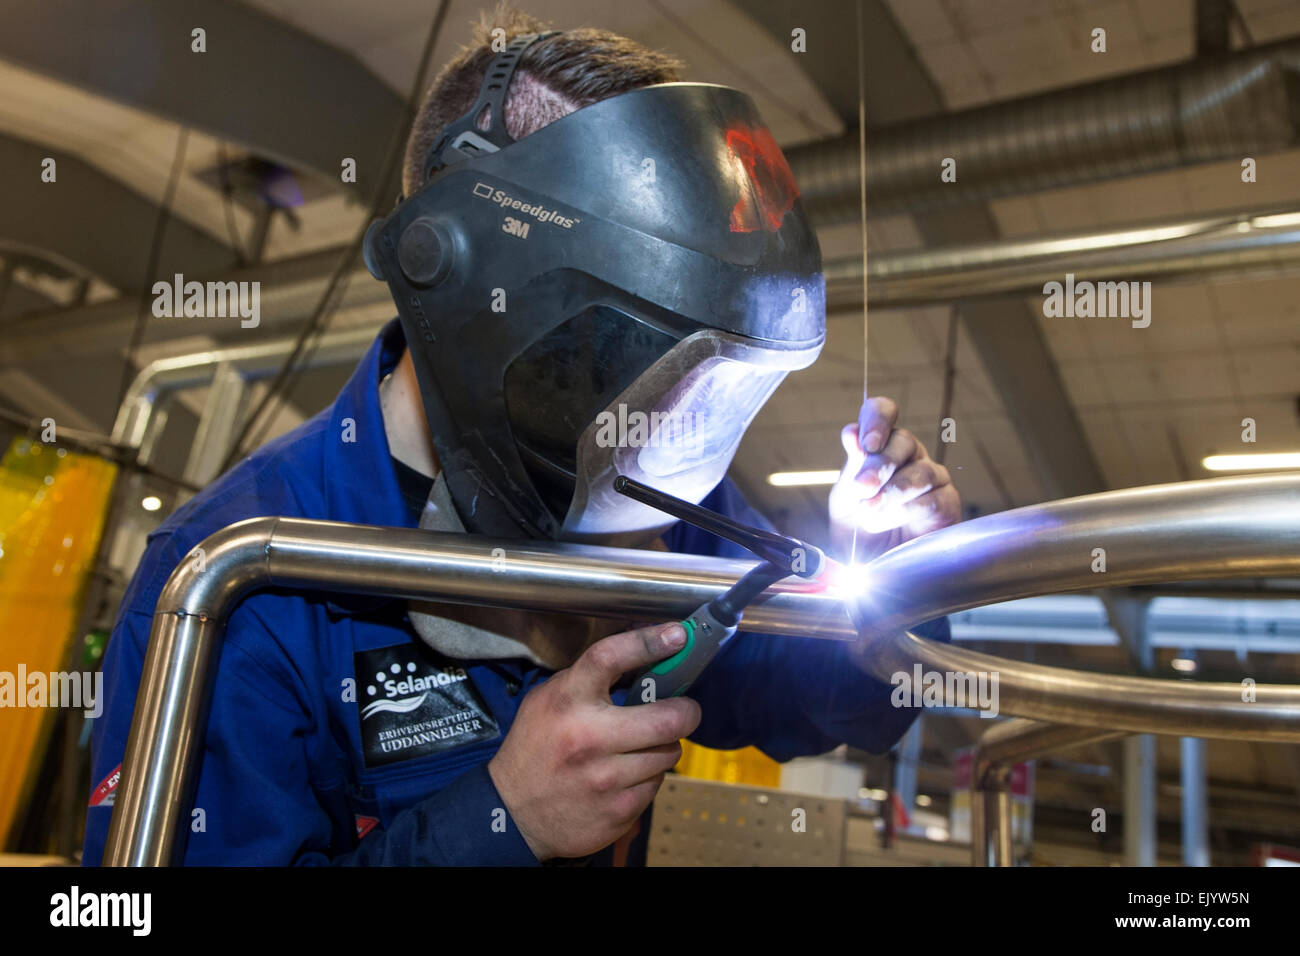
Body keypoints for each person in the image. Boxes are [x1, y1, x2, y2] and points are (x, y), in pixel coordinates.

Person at [84, 12, 960, 866]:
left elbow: (804, 700)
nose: (661, 422)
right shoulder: (235, 579)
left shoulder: (655, 495)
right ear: (459, 280)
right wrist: (500, 822)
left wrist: (894, 606)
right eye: (627, 352)